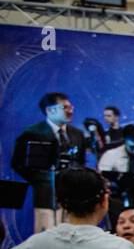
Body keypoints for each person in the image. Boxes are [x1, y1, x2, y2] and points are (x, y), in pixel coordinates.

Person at [9, 92, 87, 233]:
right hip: (45, 197)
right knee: (46, 236)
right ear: (50, 110)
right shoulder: (32, 133)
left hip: (72, 199)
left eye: (71, 107)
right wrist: (42, 180)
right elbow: (18, 164)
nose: (70, 111)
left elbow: (81, 162)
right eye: (65, 107)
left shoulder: (77, 134)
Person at [97, 125, 134, 227]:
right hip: (114, 201)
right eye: (132, 147)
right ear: (124, 141)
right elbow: (102, 180)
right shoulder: (111, 156)